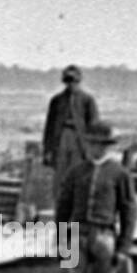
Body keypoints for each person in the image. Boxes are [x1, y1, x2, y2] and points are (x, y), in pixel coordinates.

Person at [32, 121, 137, 273]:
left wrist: (123, 249)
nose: (96, 149)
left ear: (110, 147)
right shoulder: (76, 172)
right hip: (75, 235)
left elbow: (129, 213)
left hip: (105, 238)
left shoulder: (121, 174)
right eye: (93, 144)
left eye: (102, 144)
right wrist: (61, 238)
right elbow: (63, 207)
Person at [42, 65, 100, 205]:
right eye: (68, 80)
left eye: (74, 80)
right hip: (61, 138)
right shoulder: (57, 100)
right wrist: (47, 149)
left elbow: (93, 125)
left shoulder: (87, 100)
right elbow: (49, 126)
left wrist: (92, 148)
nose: (71, 84)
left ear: (79, 80)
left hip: (79, 140)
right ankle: (59, 206)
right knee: (60, 174)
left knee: (79, 172)